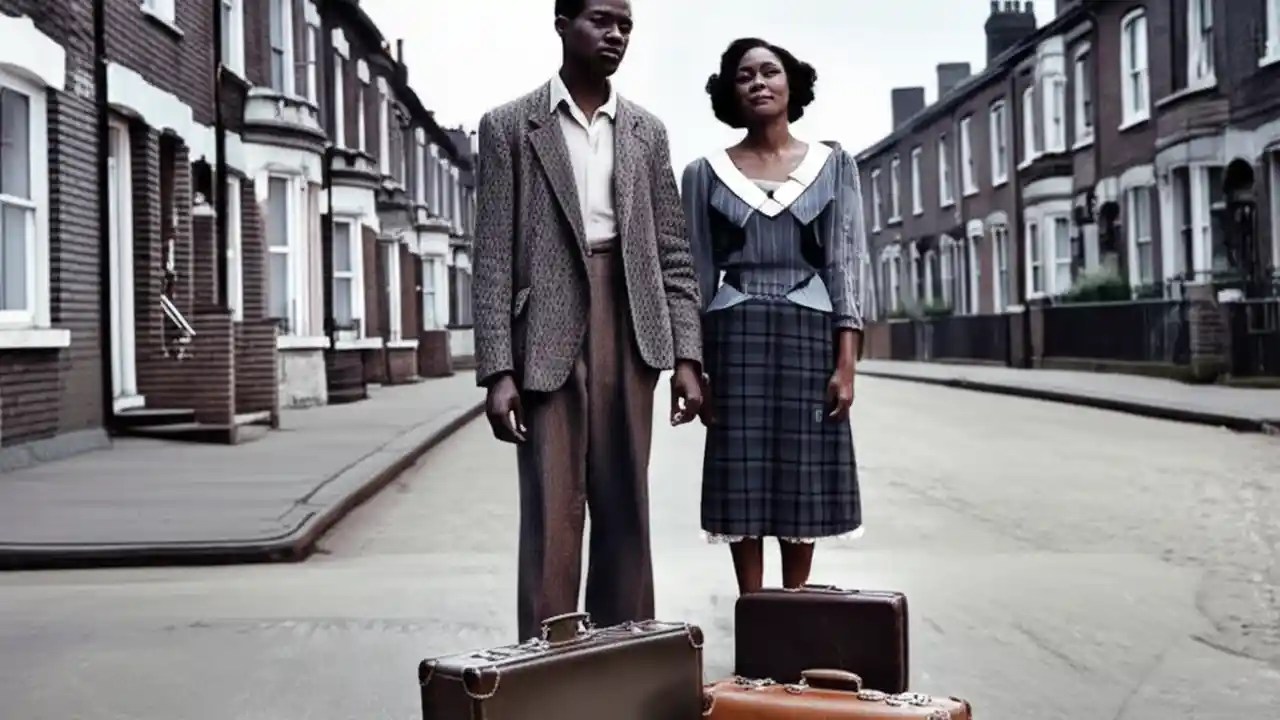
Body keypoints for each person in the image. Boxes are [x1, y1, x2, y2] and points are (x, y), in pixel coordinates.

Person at [471, 0, 704, 642]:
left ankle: (624, 665)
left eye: (625, 25)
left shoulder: (646, 131)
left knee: (627, 506)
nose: (615, 34)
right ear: (562, 26)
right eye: (601, 20)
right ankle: (548, 669)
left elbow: (673, 250)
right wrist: (497, 371)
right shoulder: (509, 126)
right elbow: (491, 255)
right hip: (545, 334)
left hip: (632, 322)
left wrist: (688, 357)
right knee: (553, 512)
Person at [682, 38, 867, 596]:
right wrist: (691, 366)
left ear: (792, 84)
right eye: (745, 76)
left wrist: (846, 364)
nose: (759, 82)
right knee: (741, 474)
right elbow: (694, 274)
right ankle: (753, 608)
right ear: (730, 92)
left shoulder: (833, 166)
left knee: (802, 475)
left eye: (770, 72)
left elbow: (844, 264)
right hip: (734, 336)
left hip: (808, 334)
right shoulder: (705, 173)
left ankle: (793, 609)